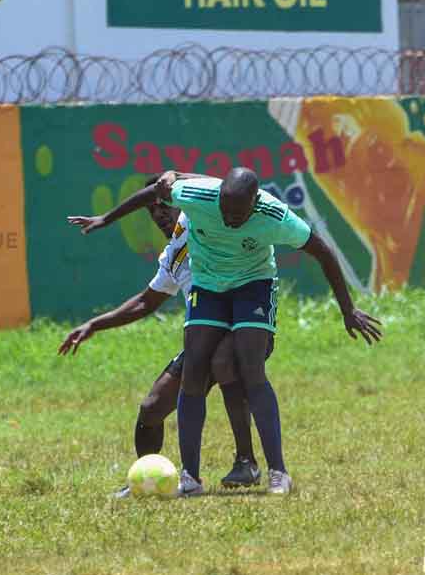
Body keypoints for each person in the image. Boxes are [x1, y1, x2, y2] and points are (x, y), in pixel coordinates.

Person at [69, 168, 382, 495]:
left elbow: (323, 251)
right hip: (209, 288)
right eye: (225, 211)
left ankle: (276, 471)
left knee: (244, 365)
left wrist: (348, 309)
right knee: (189, 374)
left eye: (239, 214)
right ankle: (190, 478)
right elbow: (156, 195)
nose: (231, 219)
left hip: (252, 285)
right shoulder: (193, 211)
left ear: (254, 204)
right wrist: (107, 218)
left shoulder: (275, 215)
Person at [59, 175, 269, 496]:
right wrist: (93, 325)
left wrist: (175, 176)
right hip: (201, 337)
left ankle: (246, 462)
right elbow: (146, 301)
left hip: (239, 326)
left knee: (226, 363)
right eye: (151, 210)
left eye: (163, 206)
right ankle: (147, 480)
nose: (158, 214)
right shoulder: (172, 255)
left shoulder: (202, 218)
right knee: (151, 408)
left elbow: (220, 185)